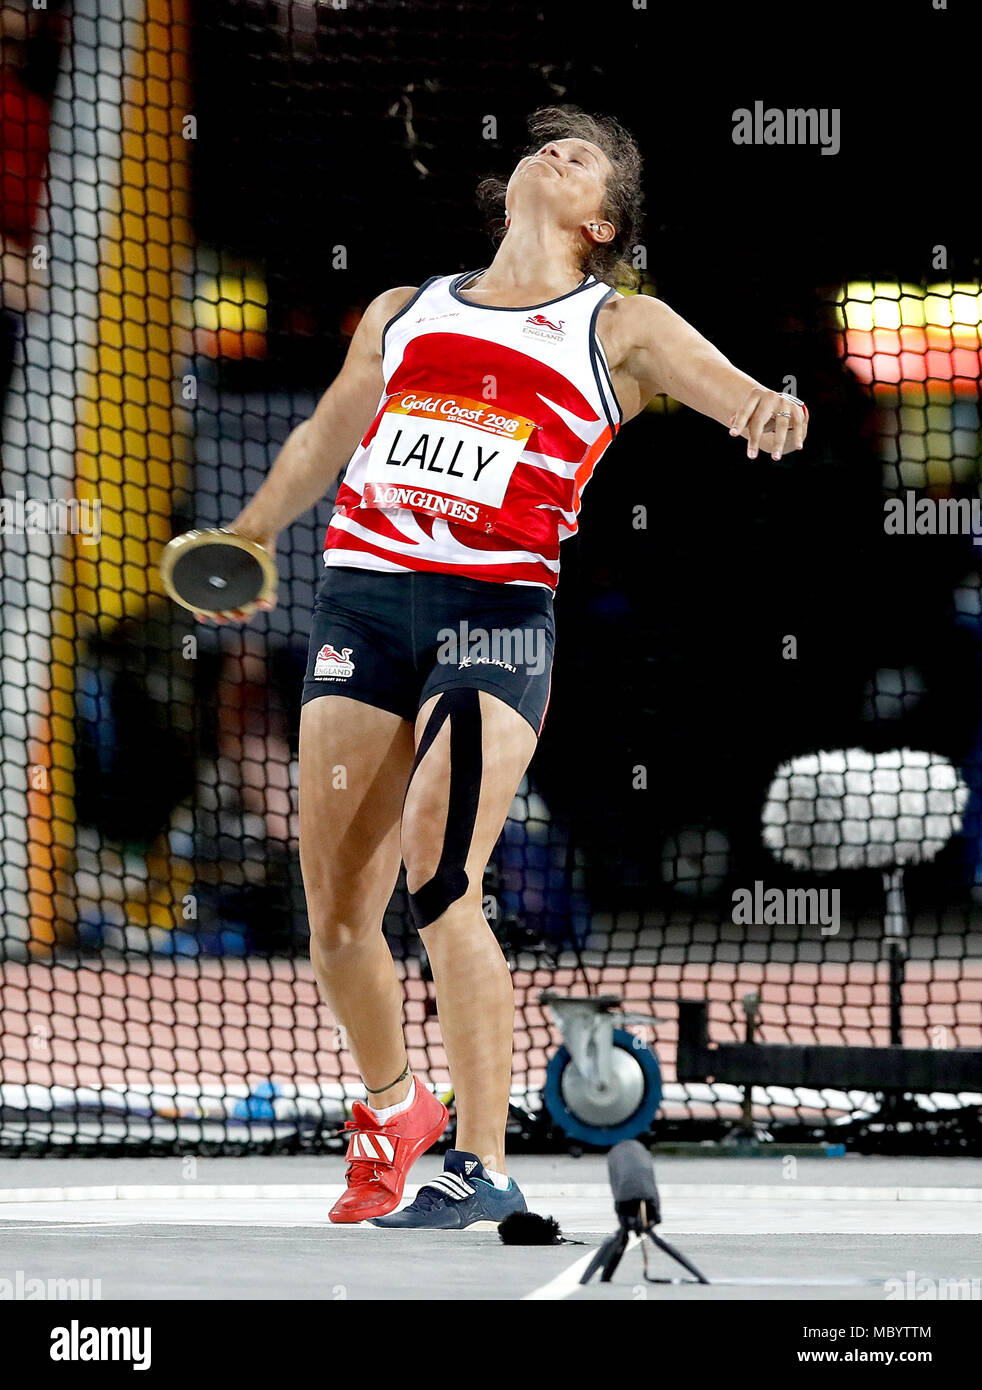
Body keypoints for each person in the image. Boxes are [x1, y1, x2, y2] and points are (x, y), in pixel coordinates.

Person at [202, 106, 808, 1229]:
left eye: (581, 155)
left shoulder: (619, 324)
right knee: (335, 916)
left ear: (600, 221)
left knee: (439, 877)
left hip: (494, 614)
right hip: (362, 601)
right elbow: (328, 434)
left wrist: (771, 409)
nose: (554, 151)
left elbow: (735, 392)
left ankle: (482, 1160)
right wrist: (244, 535)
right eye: (548, 142)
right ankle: (396, 1111)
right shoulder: (404, 308)